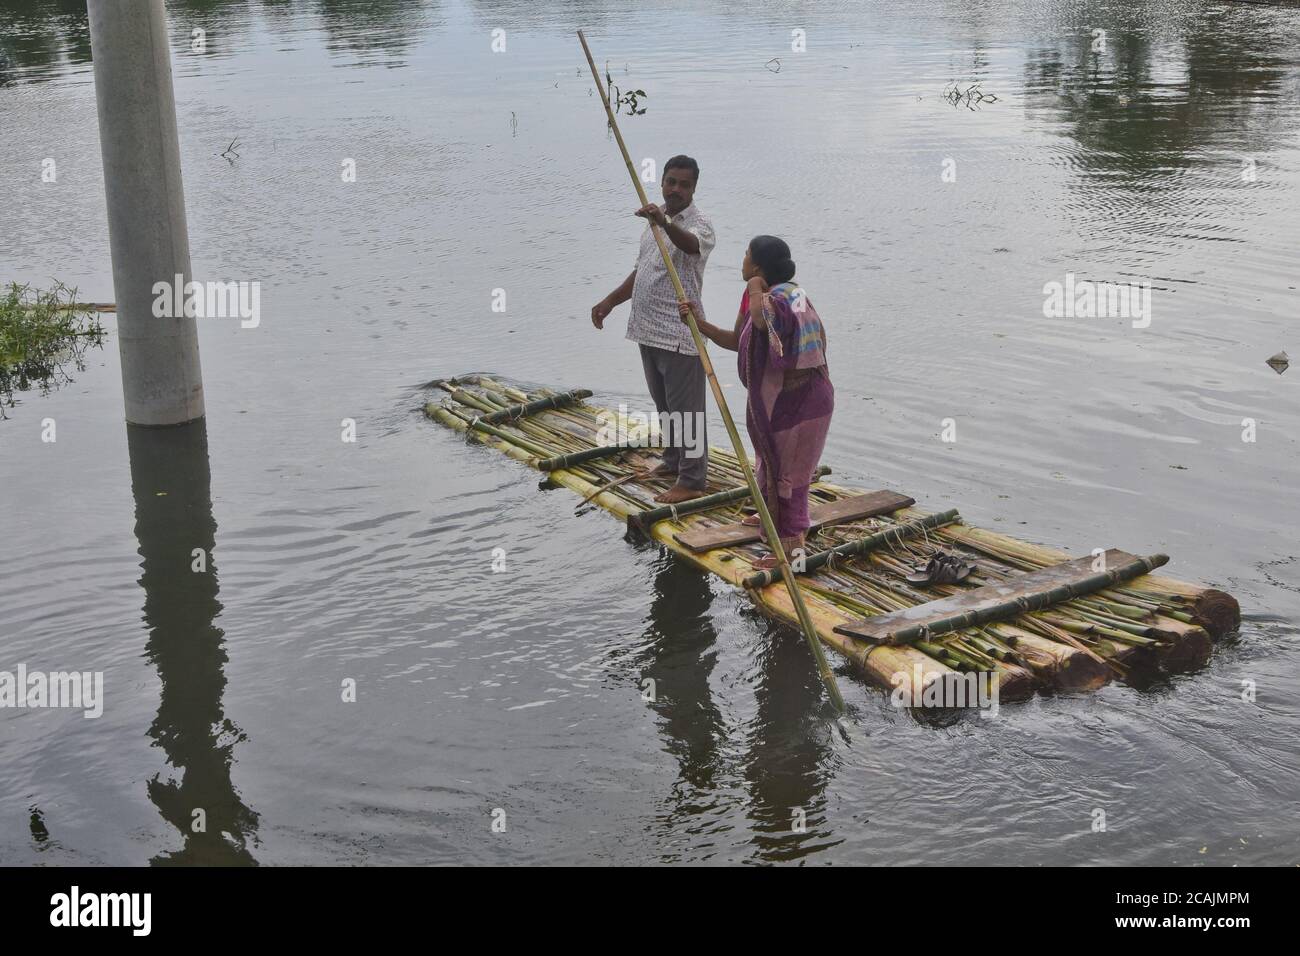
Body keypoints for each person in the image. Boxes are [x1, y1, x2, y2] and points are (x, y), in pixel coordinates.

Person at [678, 236, 833, 569]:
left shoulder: (784, 296)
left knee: (789, 476)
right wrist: (698, 322)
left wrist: (754, 287)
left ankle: (792, 555)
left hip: (802, 400)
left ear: (758, 268)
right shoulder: (757, 298)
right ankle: (767, 515)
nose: (742, 260)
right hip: (778, 400)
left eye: (747, 255)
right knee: (768, 460)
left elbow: (765, 320)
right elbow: (738, 340)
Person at [591, 155, 715, 504]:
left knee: (686, 410)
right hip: (648, 330)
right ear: (662, 182)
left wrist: (663, 222)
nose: (676, 190)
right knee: (665, 406)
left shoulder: (699, 224)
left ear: (693, 188)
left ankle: (692, 480)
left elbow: (690, 245)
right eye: (671, 182)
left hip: (680, 334)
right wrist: (610, 302)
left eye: (684, 184)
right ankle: (674, 460)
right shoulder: (653, 219)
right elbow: (641, 270)